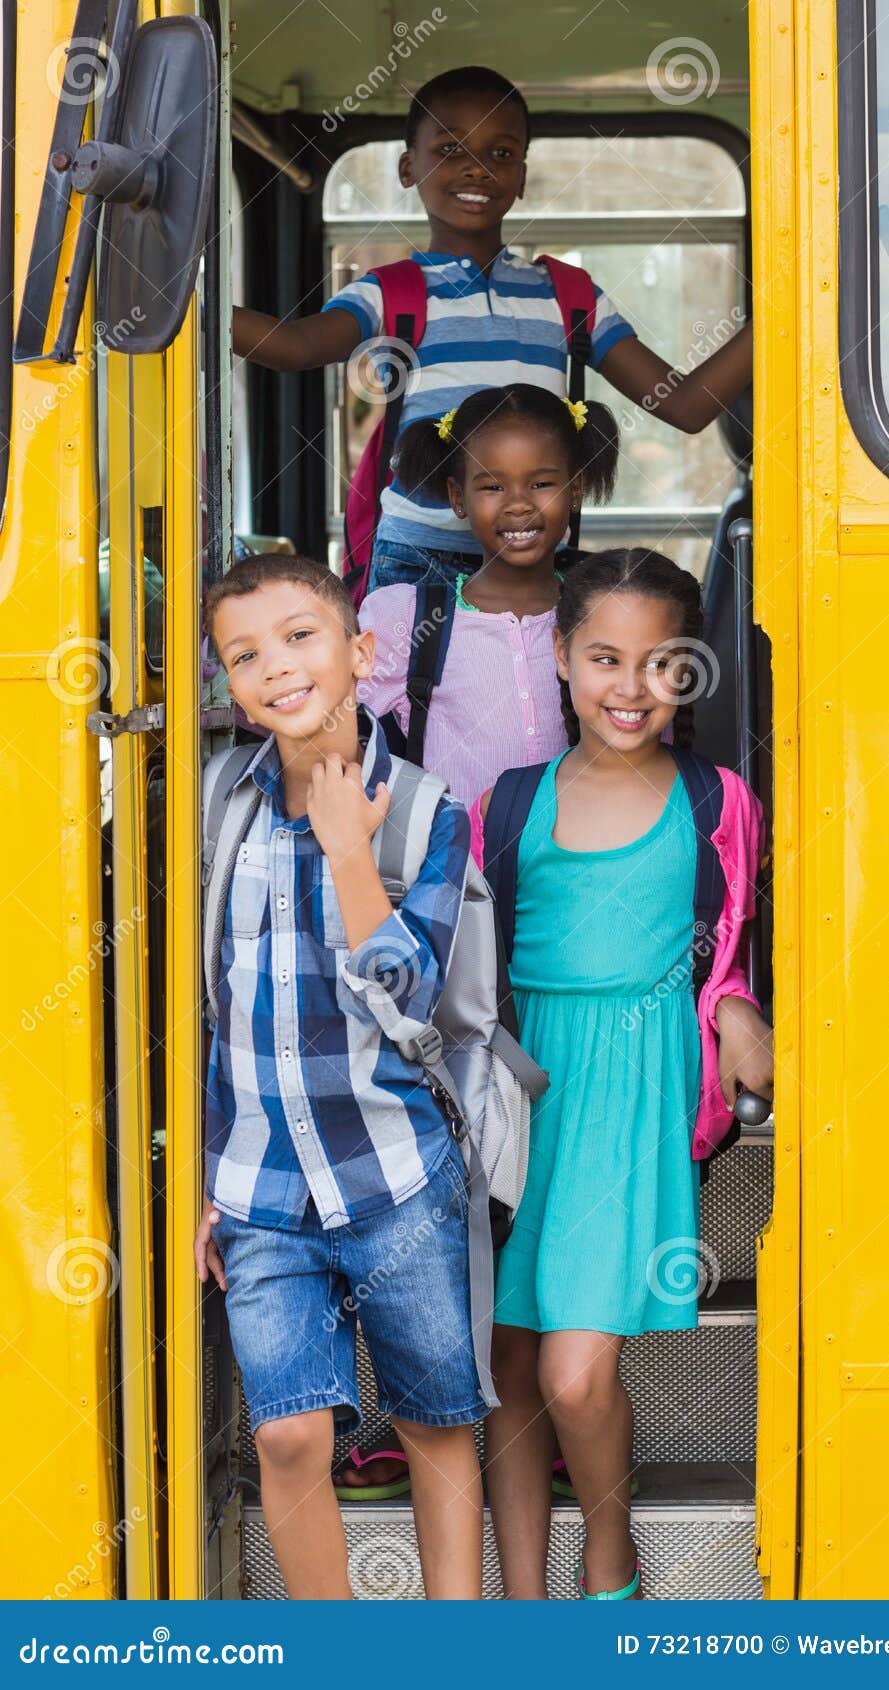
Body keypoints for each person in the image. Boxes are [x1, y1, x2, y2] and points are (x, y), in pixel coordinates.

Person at [469, 549, 773, 1600]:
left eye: (658, 664)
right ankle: (521, 1605)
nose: (628, 687)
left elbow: (726, 940)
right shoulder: (506, 804)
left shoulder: (716, 801)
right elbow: (468, 961)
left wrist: (733, 1005)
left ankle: (609, 1559)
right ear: (559, 657)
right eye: (603, 657)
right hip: (520, 1097)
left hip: (635, 1097)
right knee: (506, 1367)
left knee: (572, 1368)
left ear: (688, 672)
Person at [193, 553, 493, 1600]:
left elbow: (407, 998)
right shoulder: (215, 807)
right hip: (259, 1189)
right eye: (244, 653)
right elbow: (204, 1008)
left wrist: (349, 857)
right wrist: (200, 1176)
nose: (275, 666)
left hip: (396, 1180)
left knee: (433, 1426)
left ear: (361, 654)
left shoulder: (424, 812)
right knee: (285, 1434)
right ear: (224, 680)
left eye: (298, 636)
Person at [233, 64, 753, 592]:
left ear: (522, 177)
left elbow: (685, 405)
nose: (478, 168)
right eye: (451, 149)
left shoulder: (568, 296)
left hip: (533, 563)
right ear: (408, 168)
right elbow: (291, 346)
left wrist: (786, 309)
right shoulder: (391, 292)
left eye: (501, 154)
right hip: (416, 563)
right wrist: (187, 300)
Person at [359, 382, 618, 806]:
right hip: (453, 870)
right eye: (493, 487)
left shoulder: (606, 617)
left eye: (541, 484)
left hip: (578, 870)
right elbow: (335, 727)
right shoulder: (404, 617)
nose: (518, 504)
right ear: (458, 498)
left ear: (575, 489)